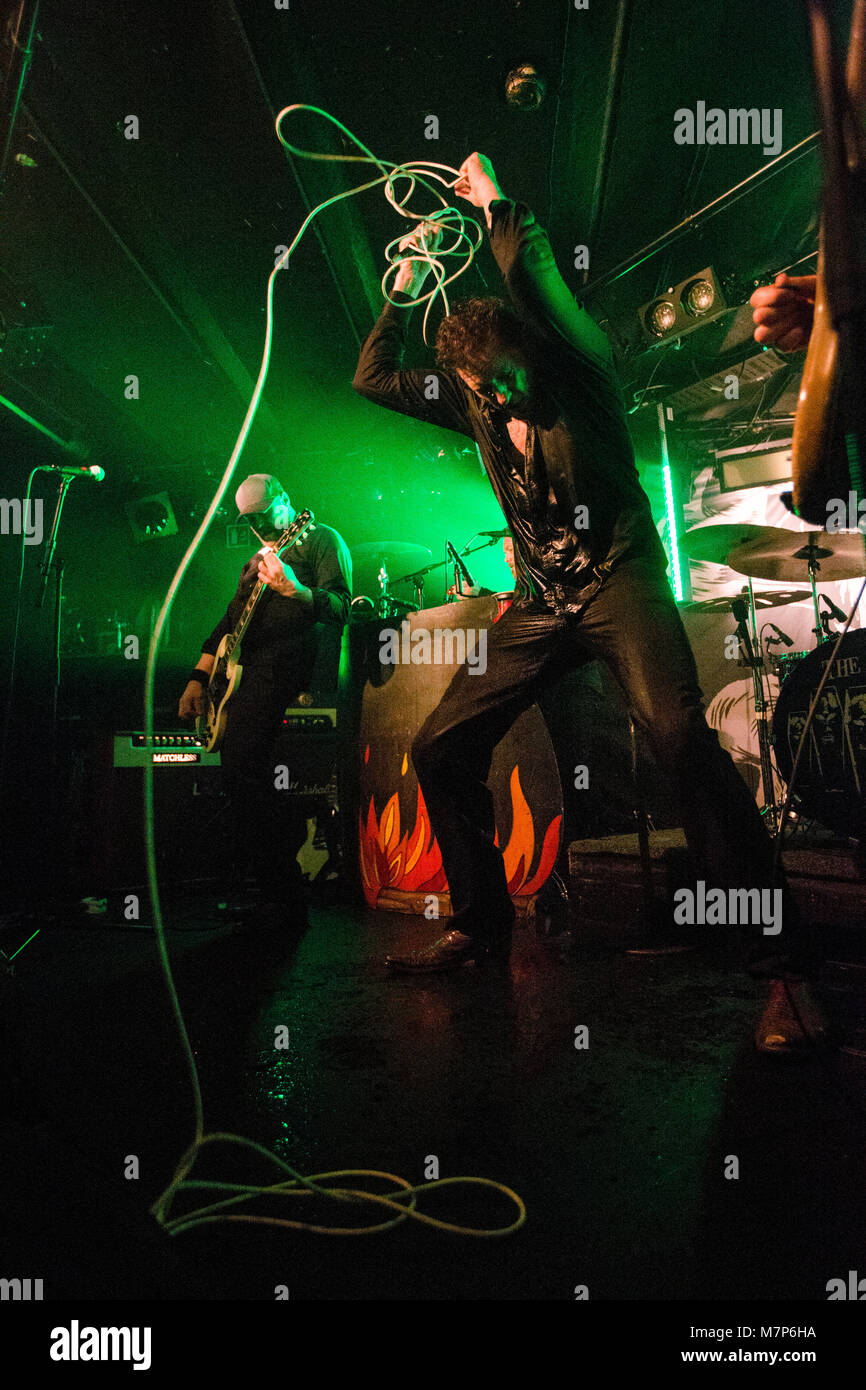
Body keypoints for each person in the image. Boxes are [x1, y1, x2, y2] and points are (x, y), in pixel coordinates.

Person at [352, 153, 826, 1054]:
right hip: (541, 599)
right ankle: (481, 923)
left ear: (530, 355)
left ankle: (787, 974)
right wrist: (401, 291)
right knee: (440, 745)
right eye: (487, 391)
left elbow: (533, 278)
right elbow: (373, 380)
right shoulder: (476, 398)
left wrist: (497, 204)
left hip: (620, 579)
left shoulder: (577, 366)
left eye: (508, 380)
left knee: (682, 740)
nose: (502, 397)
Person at [178, 474, 352, 929]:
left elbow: (342, 607)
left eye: (261, 514)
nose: (257, 525)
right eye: (248, 519)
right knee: (238, 770)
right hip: (243, 672)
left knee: (240, 762)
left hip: (286, 666)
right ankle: (274, 884)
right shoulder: (255, 560)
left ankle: (285, 887)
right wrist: (198, 679)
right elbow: (228, 622)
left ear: (285, 500)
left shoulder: (321, 541)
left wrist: (292, 588)